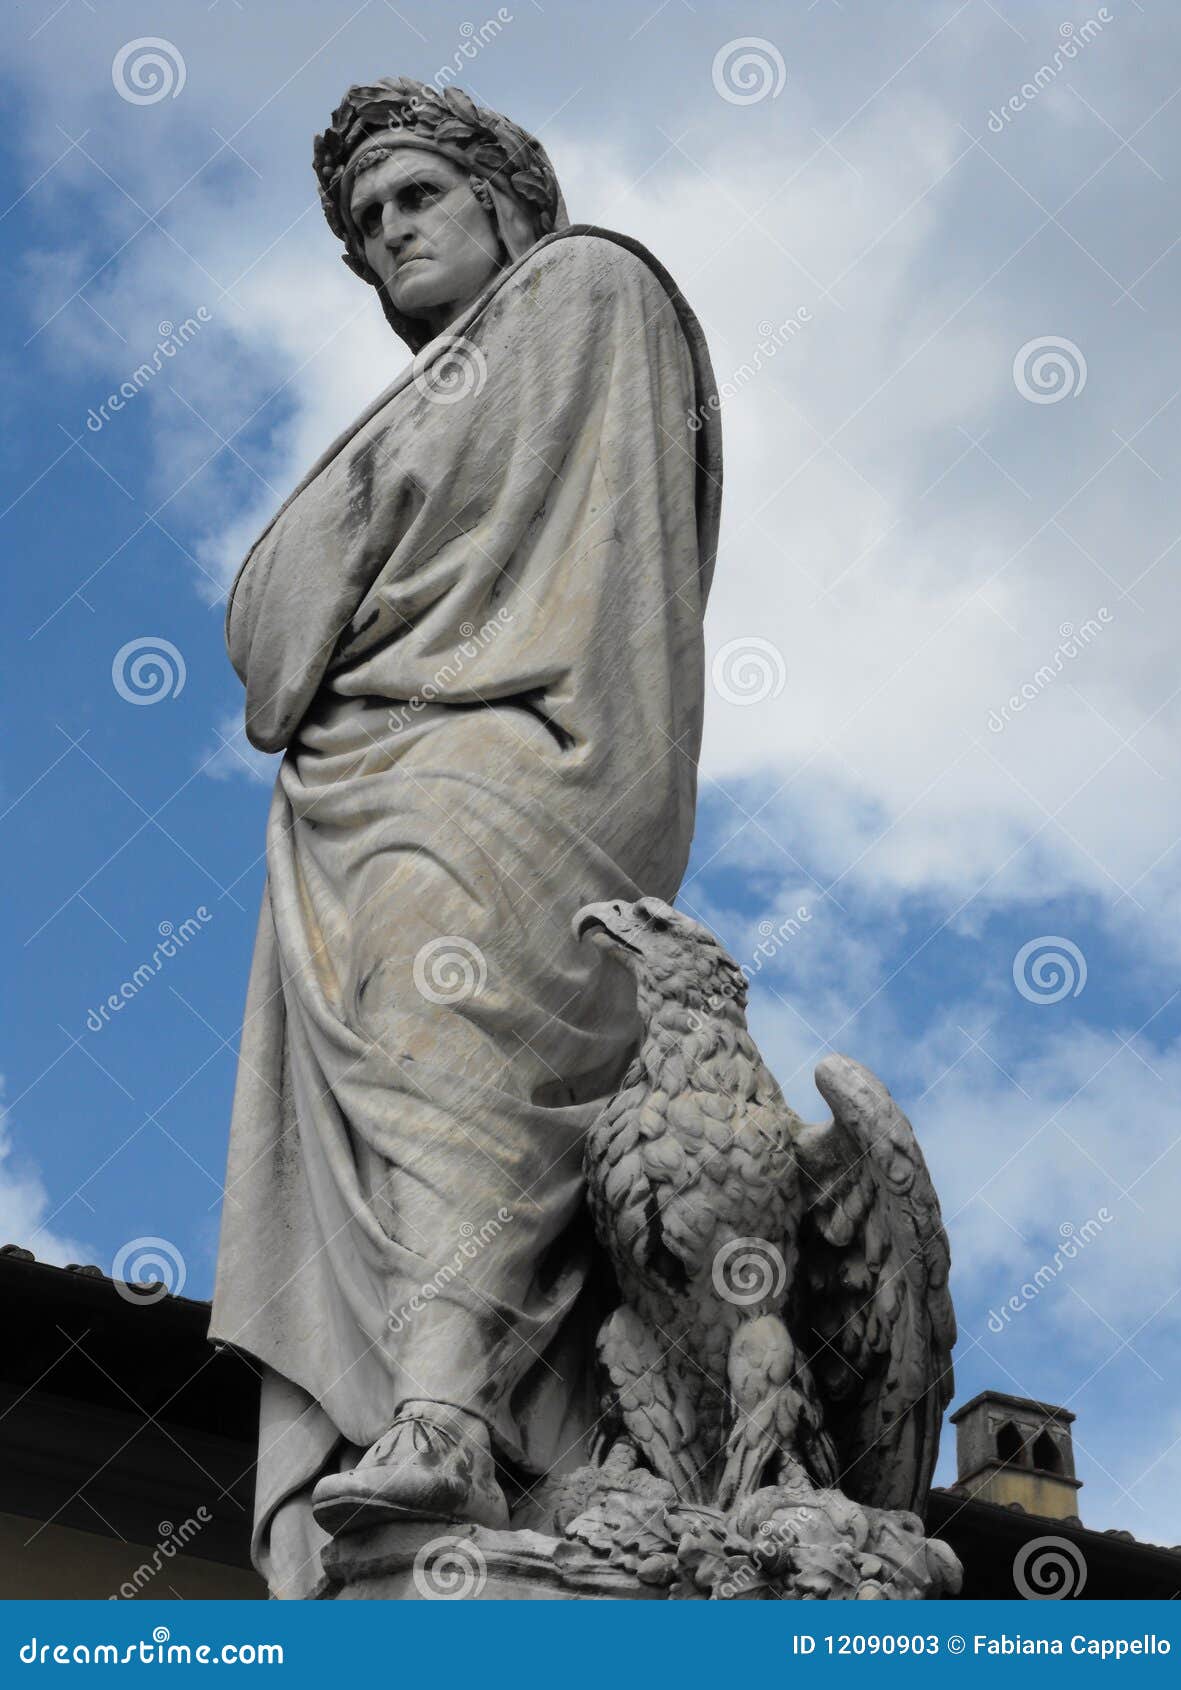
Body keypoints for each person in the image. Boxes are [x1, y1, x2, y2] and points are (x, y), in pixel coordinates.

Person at [209, 76, 721, 1599]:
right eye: (364, 229)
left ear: (509, 200)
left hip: (513, 772)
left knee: (458, 1042)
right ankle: (469, 1426)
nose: (385, 242)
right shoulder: (484, 360)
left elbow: (291, 604)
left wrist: (334, 569)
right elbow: (268, 649)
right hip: (384, 789)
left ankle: (441, 1414)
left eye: (413, 200)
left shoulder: (588, 286)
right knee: (422, 1063)